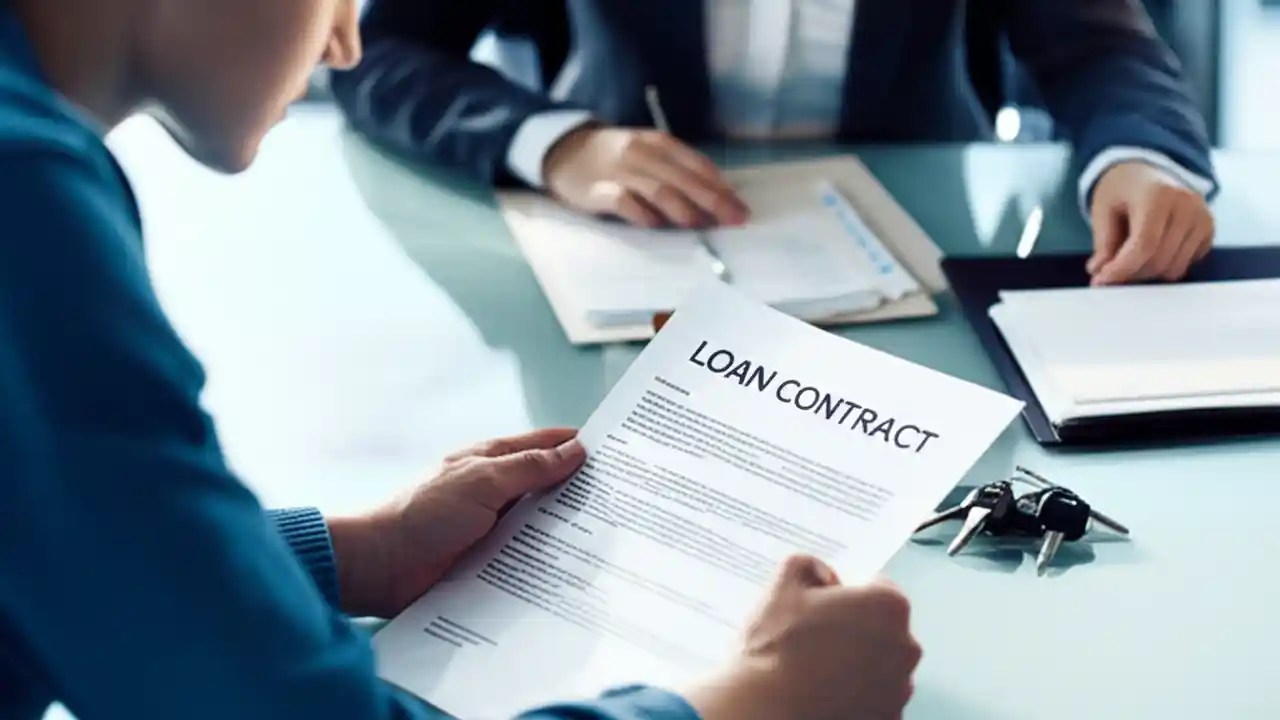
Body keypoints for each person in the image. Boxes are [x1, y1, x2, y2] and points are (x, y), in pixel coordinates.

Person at [0, 1, 922, 719]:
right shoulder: (25, 201)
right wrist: (750, 702)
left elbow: (52, 553)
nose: (344, 44)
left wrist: (353, 555)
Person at [333, 0, 1218, 287]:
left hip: (925, 258)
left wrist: (1141, 159)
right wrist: (558, 145)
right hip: (623, 256)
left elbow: (1101, 45)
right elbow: (380, 52)